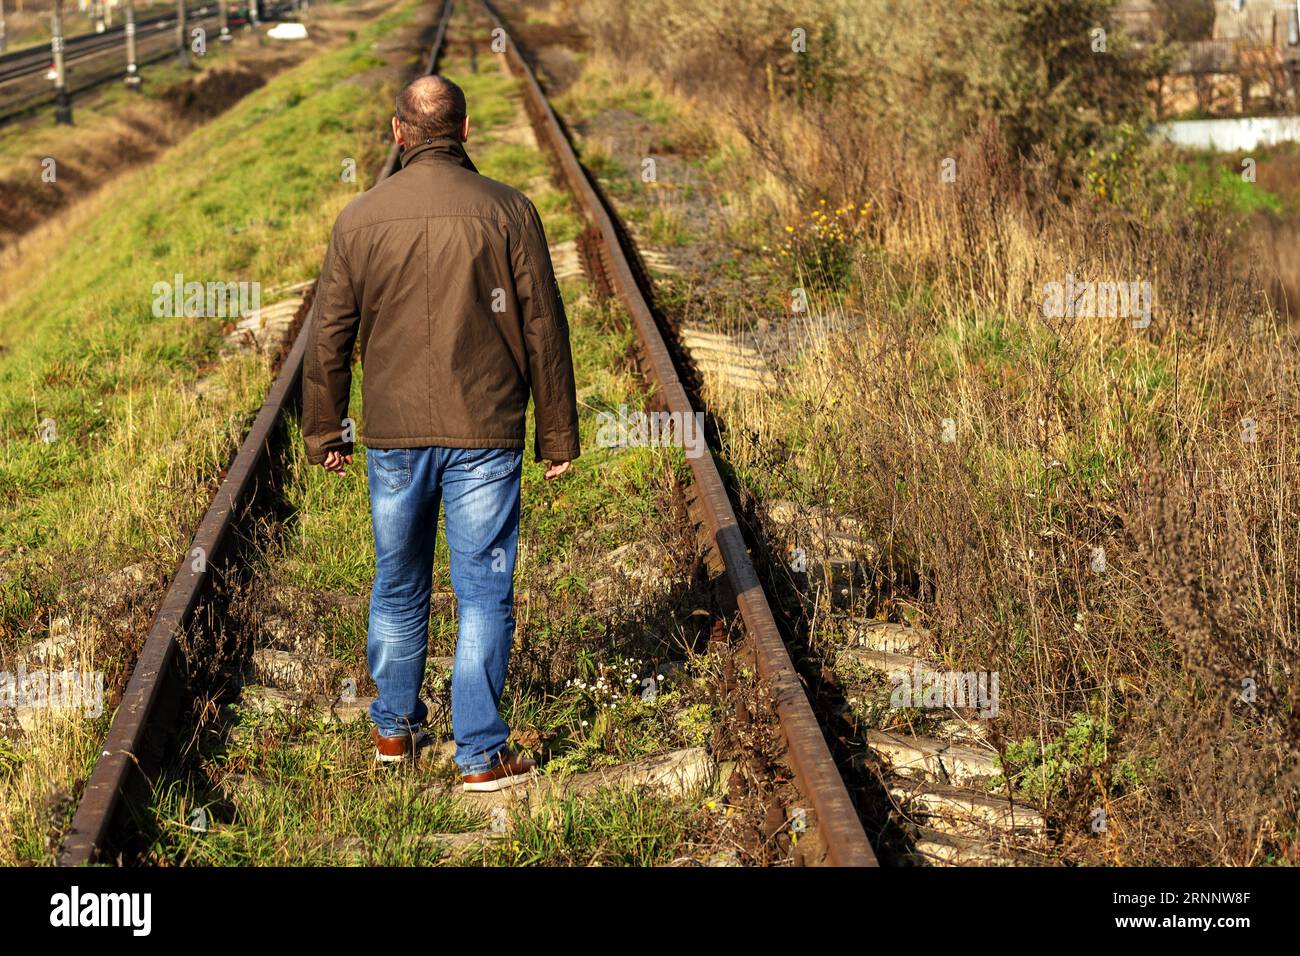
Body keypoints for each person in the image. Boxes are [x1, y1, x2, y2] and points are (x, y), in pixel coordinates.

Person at [301, 74, 580, 791]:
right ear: (463, 129)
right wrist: (557, 435)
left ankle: (395, 734)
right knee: (484, 590)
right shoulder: (509, 211)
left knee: (398, 585)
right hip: (485, 428)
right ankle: (480, 755)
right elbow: (544, 326)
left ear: (399, 132)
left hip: (393, 435)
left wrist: (326, 428)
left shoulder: (360, 218)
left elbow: (328, 336)